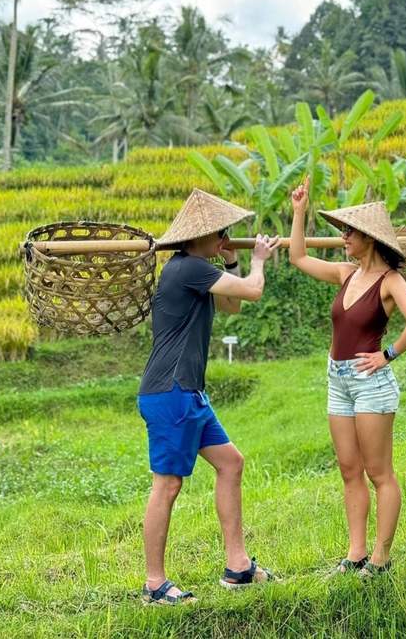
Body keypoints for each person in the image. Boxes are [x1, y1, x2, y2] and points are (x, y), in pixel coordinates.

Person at [139, 189, 281, 605]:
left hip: (189, 394)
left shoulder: (198, 269)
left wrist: (234, 259)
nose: (224, 236)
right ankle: (154, 584)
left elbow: (231, 306)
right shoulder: (186, 268)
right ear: (199, 236)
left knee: (231, 463)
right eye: (220, 232)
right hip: (171, 393)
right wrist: (257, 260)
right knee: (167, 485)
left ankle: (237, 567)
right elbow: (252, 292)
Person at [287, 177, 406, 577]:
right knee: (349, 469)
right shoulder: (345, 273)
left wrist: (387, 355)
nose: (343, 237)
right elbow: (298, 258)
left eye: (349, 232)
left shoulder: (390, 281)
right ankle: (355, 554)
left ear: (369, 238)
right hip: (339, 381)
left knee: (378, 472)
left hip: (371, 384)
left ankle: (381, 559)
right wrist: (299, 212)